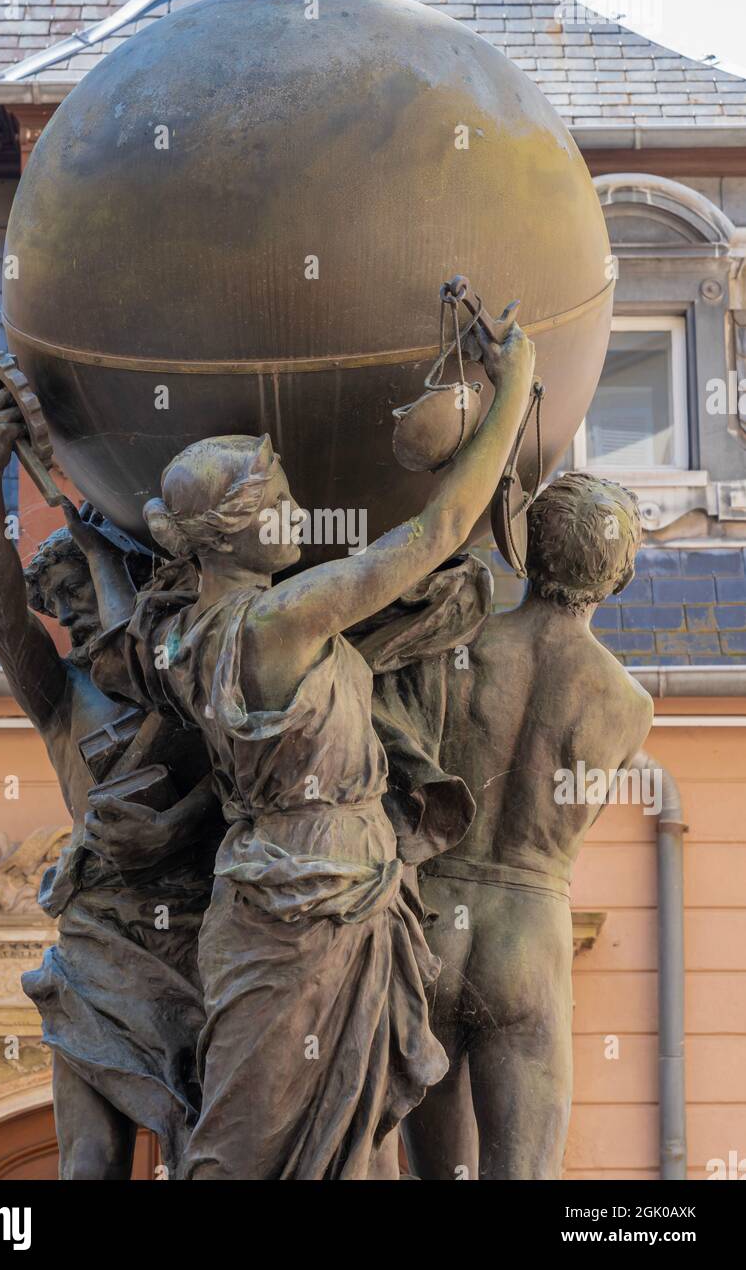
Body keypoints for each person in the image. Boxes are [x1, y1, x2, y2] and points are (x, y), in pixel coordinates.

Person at [65, 311, 535, 1180]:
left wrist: (96, 546)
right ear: (226, 530)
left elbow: (125, 641)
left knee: (324, 1137)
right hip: (308, 895)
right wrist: (512, 388)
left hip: (298, 887)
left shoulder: (180, 639)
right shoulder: (282, 619)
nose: (293, 512)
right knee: (254, 1143)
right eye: (270, 501)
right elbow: (437, 531)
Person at [0, 379, 221, 1179]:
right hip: (97, 941)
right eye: (58, 603)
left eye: (82, 590)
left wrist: (178, 827)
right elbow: (1, 613)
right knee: (86, 1164)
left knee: (211, 1149)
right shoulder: (59, 698)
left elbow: (249, 787)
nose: (70, 615)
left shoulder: (189, 681)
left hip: (200, 937)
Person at [370, 473, 654, 1179]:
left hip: (433, 925)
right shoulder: (628, 703)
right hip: (529, 938)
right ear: (618, 574)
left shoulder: (456, 651)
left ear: (525, 546)